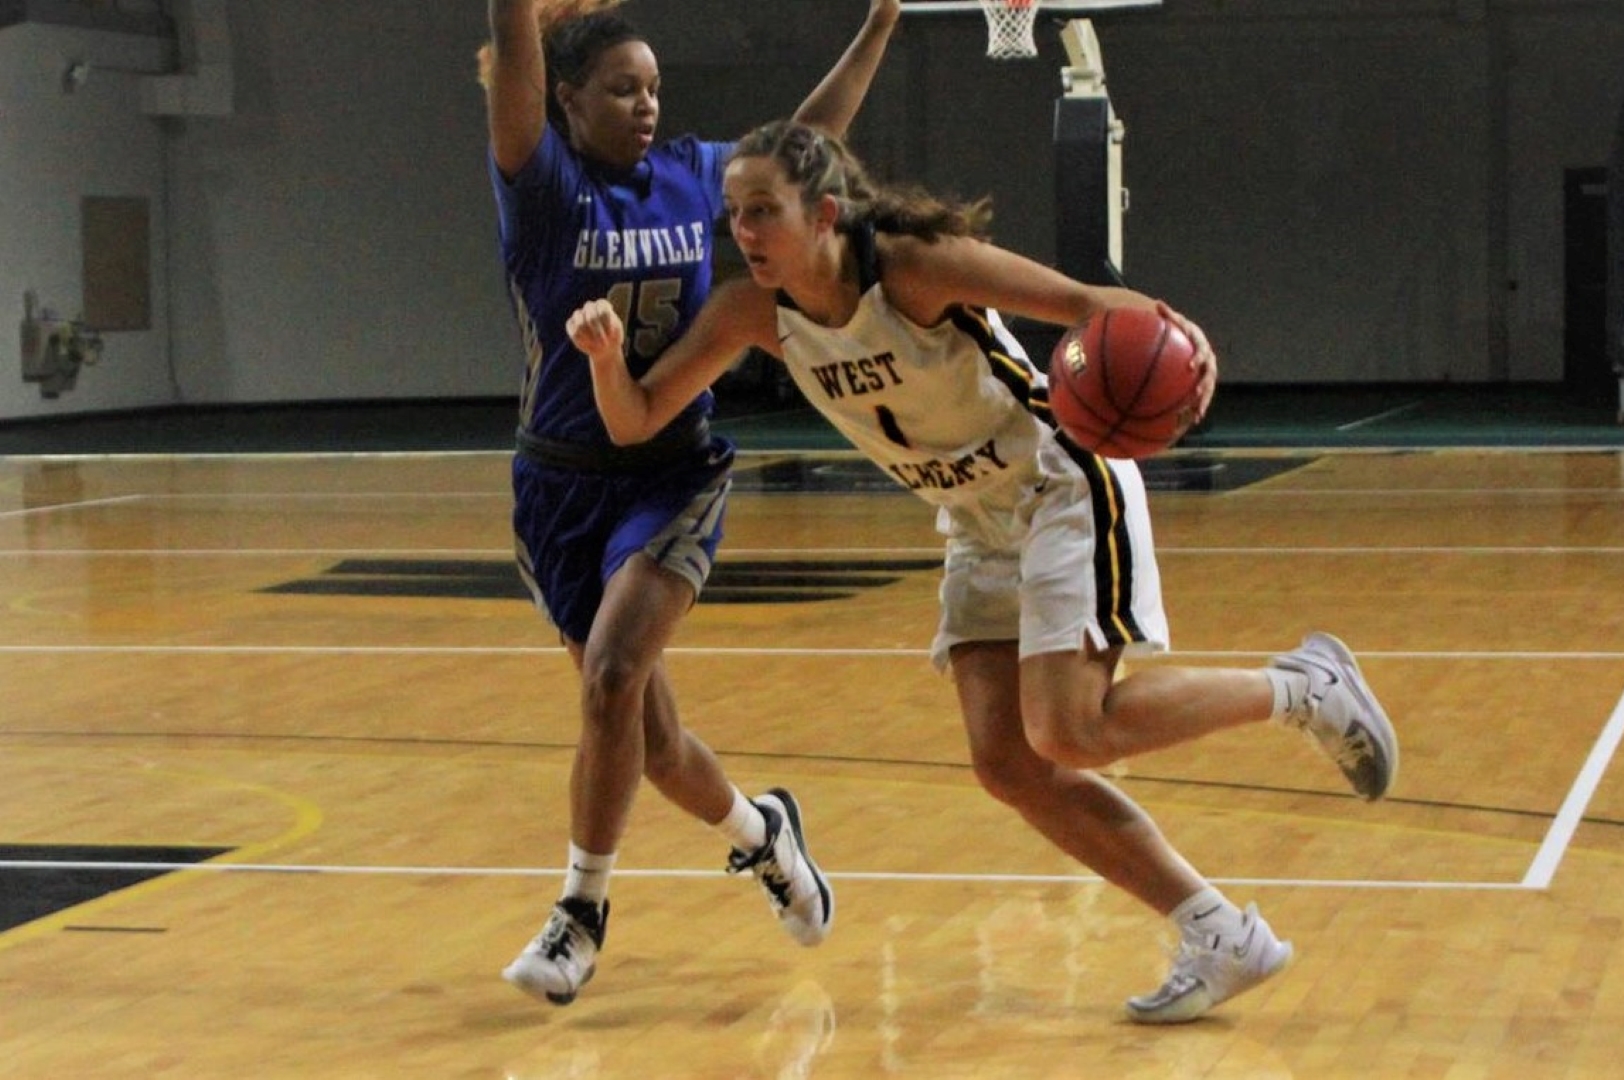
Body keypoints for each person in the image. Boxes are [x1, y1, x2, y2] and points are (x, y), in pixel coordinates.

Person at [564, 119, 1402, 1025]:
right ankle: (1220, 934)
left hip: (1058, 484)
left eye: (764, 211)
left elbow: (1089, 302)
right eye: (735, 214)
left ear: (826, 213)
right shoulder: (750, 314)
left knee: (1073, 732)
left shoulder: (916, 267)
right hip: (973, 521)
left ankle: (1303, 688)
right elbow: (637, 419)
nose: (746, 233)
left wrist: (1184, 347)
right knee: (1007, 761)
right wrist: (608, 361)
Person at [477, 2, 901, 1006]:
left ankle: (580, 913)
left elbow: (806, 148)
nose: (647, 104)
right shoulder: (541, 187)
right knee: (653, 744)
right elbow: (513, 81)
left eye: (655, 87)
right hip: (555, 485)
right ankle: (765, 836)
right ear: (567, 100)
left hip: (671, 466)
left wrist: (882, 17)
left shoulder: (692, 170)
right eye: (623, 89)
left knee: (614, 676)